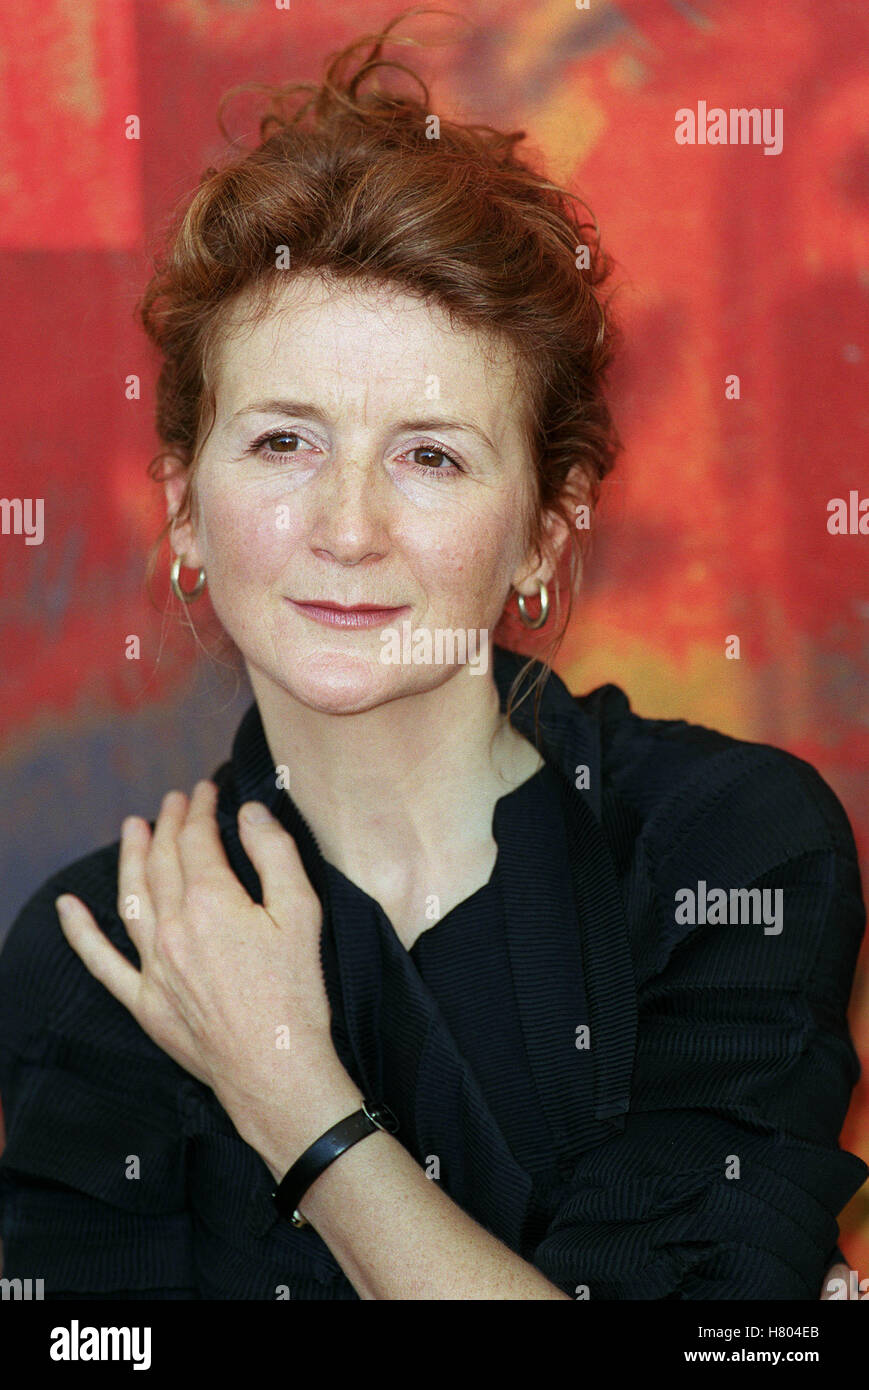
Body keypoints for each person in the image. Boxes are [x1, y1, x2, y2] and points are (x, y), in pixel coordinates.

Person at [0, 11, 865, 1300]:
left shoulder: (728, 848)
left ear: (544, 530)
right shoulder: (106, 951)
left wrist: (291, 1093)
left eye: (432, 456)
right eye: (285, 443)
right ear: (183, 503)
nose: (348, 530)